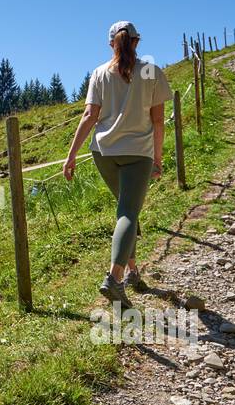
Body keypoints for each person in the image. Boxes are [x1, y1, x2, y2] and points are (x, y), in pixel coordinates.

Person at [63, 20, 171, 306]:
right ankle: (114, 278)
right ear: (136, 42)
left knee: (126, 210)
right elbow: (158, 120)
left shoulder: (99, 73)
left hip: (104, 152)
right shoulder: (150, 70)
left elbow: (89, 116)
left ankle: (133, 272)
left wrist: (71, 155)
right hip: (138, 152)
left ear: (112, 43)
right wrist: (157, 158)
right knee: (128, 212)